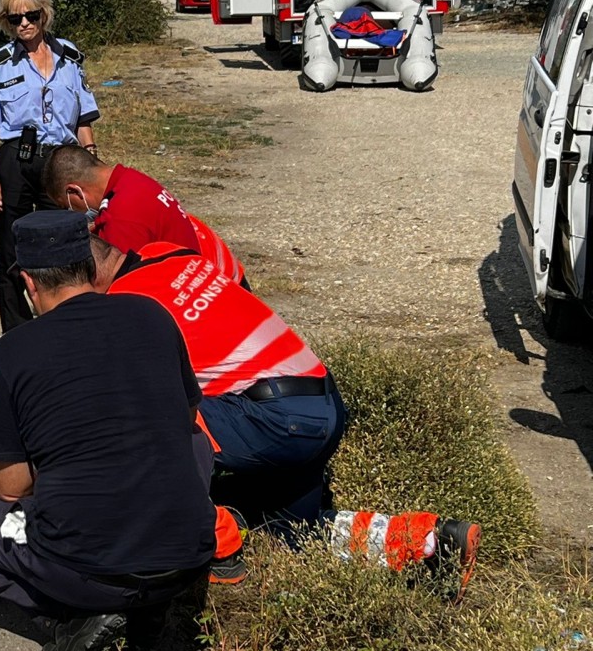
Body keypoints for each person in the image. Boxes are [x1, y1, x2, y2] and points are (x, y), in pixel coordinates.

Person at [93, 237, 481, 600]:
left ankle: (211, 542)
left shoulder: (125, 304)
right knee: (294, 533)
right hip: (322, 403)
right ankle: (430, 542)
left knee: (140, 412)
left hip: (279, 422)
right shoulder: (170, 253)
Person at [0, 212, 215, 651]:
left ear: (28, 282)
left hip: (88, 567)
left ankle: (72, 619)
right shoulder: (153, 315)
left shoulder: (12, 353)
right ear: (89, 266)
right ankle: (147, 609)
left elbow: (9, 489)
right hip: (186, 557)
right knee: (197, 446)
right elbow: (183, 420)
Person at [0, 0, 100, 332]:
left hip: (61, 162)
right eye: (14, 18)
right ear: (5, 21)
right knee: (11, 252)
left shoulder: (69, 57)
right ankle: (19, 332)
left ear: (45, 14)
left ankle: (66, 323)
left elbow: (84, 118)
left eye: (31, 15)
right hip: (15, 162)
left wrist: (92, 163)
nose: (24, 24)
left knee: (67, 243)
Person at [42, 144, 245, 285]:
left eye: (68, 206)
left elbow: (119, 289)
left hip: (192, 299)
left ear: (74, 192)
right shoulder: (130, 180)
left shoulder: (120, 218)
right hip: (212, 279)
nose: (73, 212)